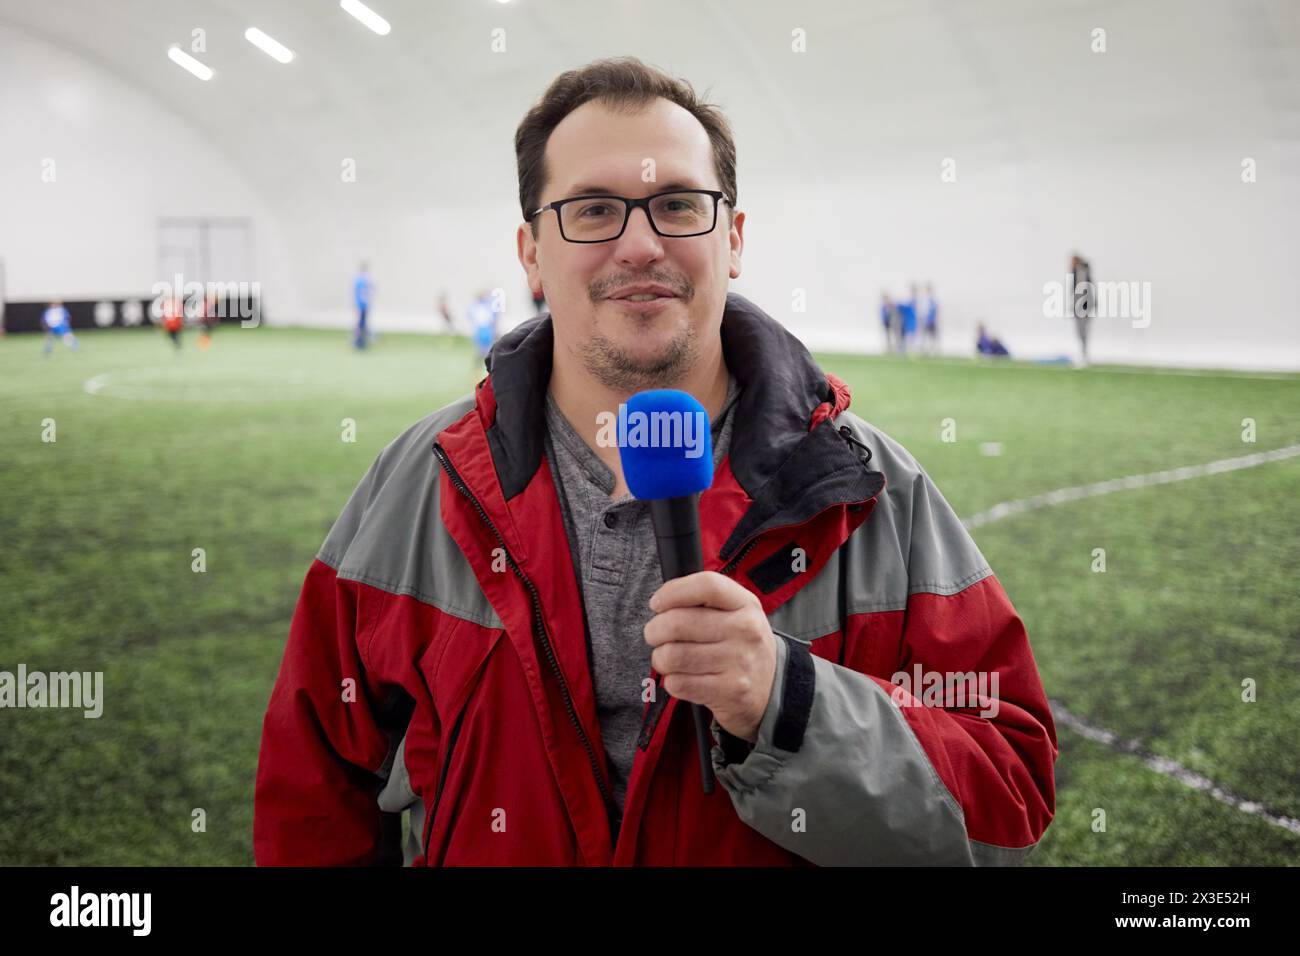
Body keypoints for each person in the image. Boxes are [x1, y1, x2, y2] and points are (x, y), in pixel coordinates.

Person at [254, 56, 1056, 867]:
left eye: (677, 205)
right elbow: (313, 790)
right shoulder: (419, 484)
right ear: (531, 253)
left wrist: (792, 702)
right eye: (594, 210)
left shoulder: (873, 492)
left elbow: (1007, 804)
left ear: (732, 239)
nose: (639, 245)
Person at [1069, 252, 1093, 367]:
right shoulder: (1075, 273)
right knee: (1079, 333)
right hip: (1078, 308)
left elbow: (1085, 293)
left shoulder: (1082, 273)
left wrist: (1085, 309)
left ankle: (1084, 355)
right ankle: (1082, 354)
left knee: (1083, 333)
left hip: (1083, 308)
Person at [353, 261, 374, 350]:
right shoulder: (361, 280)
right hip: (361, 305)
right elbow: (360, 293)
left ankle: (362, 341)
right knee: (360, 324)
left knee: (363, 324)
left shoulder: (364, 280)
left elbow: (370, 291)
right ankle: (358, 341)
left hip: (363, 305)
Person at [896, 283, 918, 354]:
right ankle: (903, 350)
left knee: (911, 337)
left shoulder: (916, 300)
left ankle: (910, 350)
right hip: (906, 322)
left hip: (912, 321)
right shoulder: (908, 300)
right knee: (905, 336)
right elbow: (903, 309)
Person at [919, 282, 939, 356]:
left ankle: (932, 350)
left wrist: (931, 319)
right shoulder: (923, 300)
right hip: (925, 321)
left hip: (931, 321)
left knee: (932, 336)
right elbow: (922, 311)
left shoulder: (933, 300)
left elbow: (934, 311)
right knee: (924, 336)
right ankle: (924, 350)